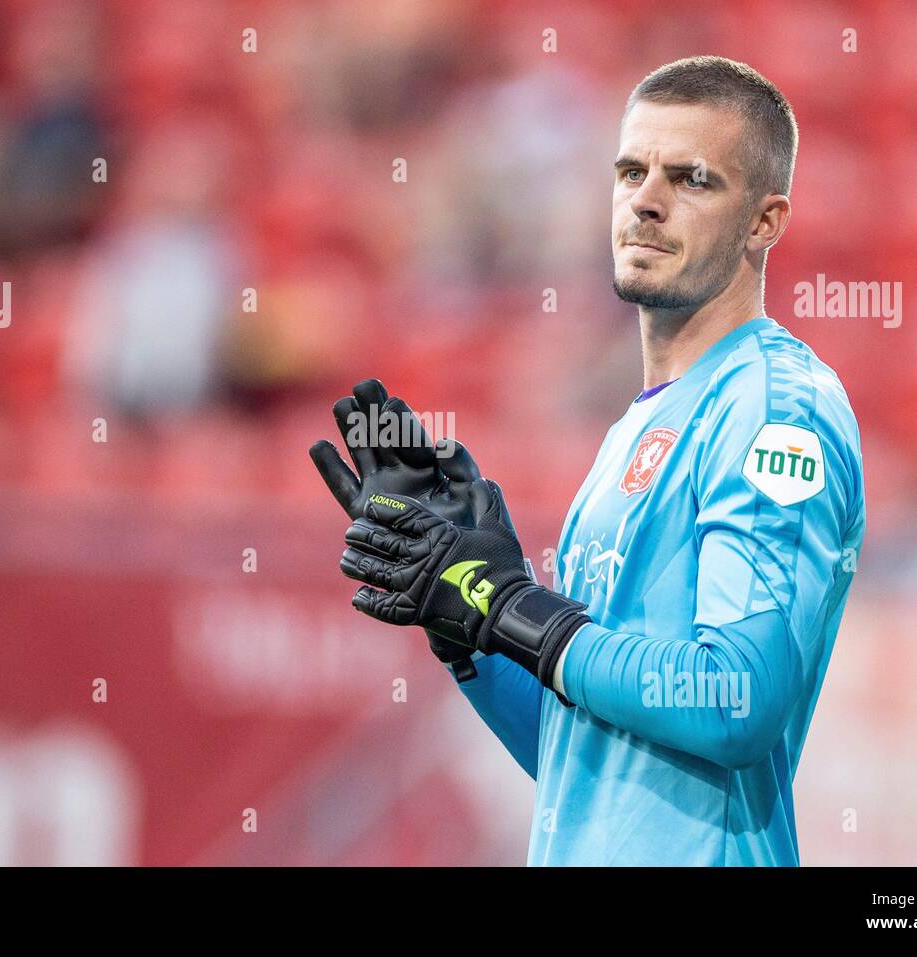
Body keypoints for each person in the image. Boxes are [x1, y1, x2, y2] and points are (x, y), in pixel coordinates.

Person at [311, 56, 865, 866]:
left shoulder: (777, 406)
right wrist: (465, 626)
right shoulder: (630, 433)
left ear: (764, 221)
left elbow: (736, 699)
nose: (647, 199)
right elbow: (585, 764)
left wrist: (521, 611)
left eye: (692, 180)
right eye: (632, 171)